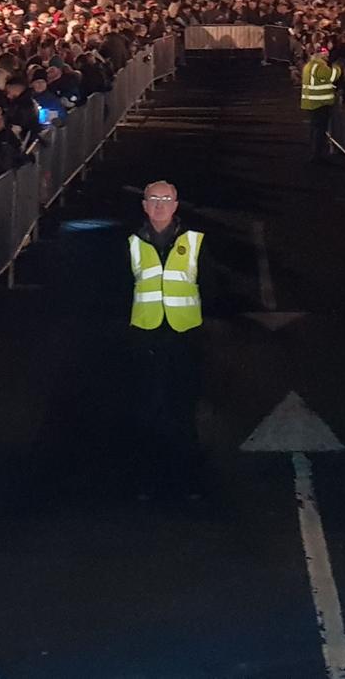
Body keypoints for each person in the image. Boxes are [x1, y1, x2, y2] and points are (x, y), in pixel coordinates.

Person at [126, 180, 205, 499]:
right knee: (148, 410)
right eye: (153, 199)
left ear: (176, 205)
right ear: (144, 205)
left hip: (184, 339)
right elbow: (122, 288)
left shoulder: (195, 242)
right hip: (146, 338)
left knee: (183, 412)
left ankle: (186, 481)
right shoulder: (132, 242)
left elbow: (207, 284)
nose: (159, 205)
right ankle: (149, 480)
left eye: (166, 199)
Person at [300, 44, 339, 160]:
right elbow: (332, 76)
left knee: (314, 128)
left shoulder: (309, 65)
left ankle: (313, 151)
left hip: (310, 102)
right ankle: (317, 154)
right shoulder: (320, 66)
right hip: (320, 103)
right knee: (320, 130)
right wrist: (338, 68)